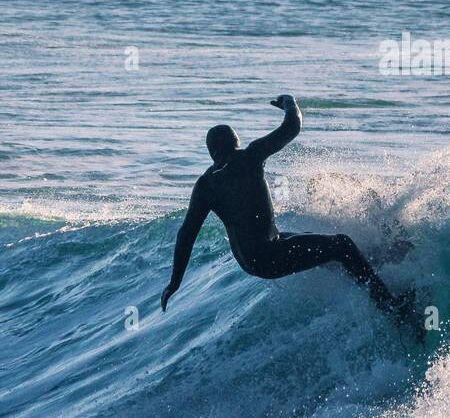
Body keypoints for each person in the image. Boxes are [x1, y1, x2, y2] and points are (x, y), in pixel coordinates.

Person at [160, 95, 423, 341]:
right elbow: (292, 127)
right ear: (235, 143)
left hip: (253, 262)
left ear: (212, 153)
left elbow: (186, 234)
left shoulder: (205, 184)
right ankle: (392, 307)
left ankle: (371, 268)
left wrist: (175, 282)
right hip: (270, 254)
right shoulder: (249, 157)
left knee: (322, 249)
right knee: (341, 244)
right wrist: (288, 102)